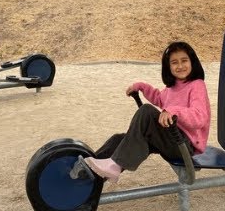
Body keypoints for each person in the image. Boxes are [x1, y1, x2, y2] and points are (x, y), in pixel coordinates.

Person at [84, 42, 211, 184]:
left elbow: (200, 116)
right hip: (170, 137)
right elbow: (159, 98)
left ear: (192, 61)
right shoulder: (173, 86)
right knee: (119, 139)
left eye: (184, 61)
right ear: (168, 67)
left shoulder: (197, 85)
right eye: (174, 62)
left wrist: (173, 111)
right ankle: (90, 173)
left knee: (146, 111)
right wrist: (141, 87)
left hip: (184, 145)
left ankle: (115, 165)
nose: (180, 66)